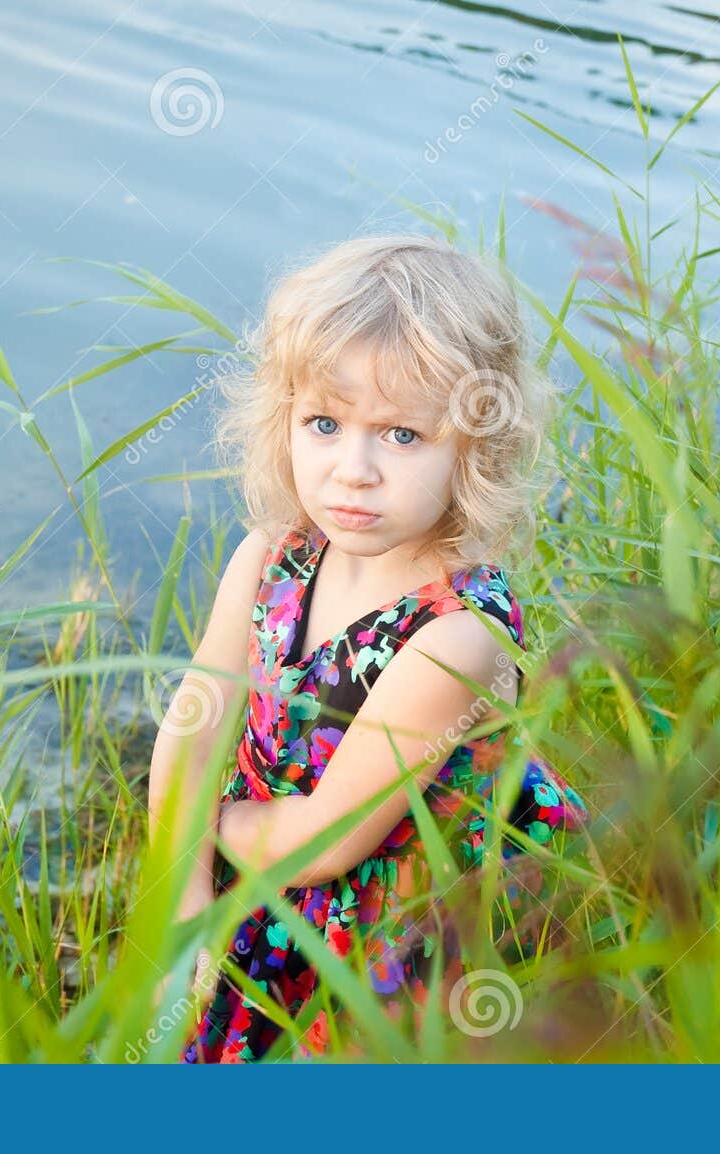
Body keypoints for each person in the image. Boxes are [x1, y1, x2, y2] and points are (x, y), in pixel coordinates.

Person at [145, 233, 588, 1064]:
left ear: (476, 448)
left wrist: (201, 820)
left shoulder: (460, 635)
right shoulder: (272, 555)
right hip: (256, 866)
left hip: (379, 924)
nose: (353, 470)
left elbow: (325, 840)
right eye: (324, 423)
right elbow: (196, 720)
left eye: (402, 436)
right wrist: (182, 893)